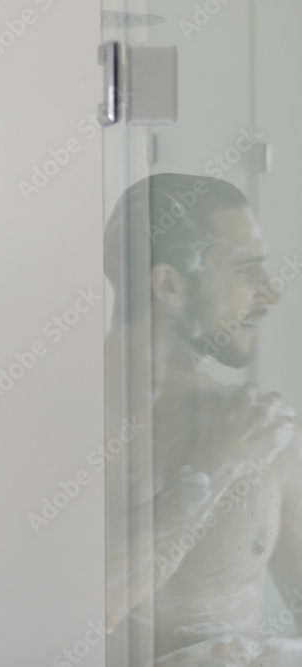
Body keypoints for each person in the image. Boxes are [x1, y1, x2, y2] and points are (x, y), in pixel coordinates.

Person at [104, 173, 302, 665]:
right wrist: (216, 465)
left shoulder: (261, 426)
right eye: (245, 270)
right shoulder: (68, 419)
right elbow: (85, 607)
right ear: (168, 284)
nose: (270, 292)